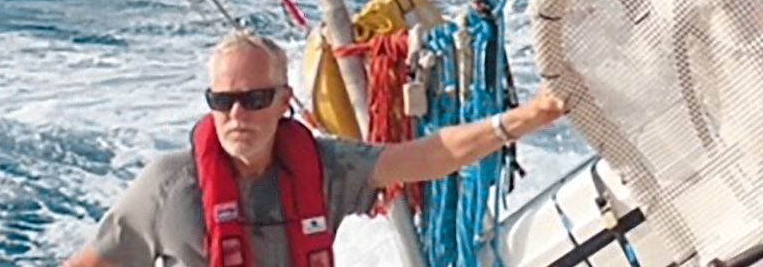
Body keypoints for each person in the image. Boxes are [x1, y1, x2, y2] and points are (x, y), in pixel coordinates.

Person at [62, 32, 566, 267]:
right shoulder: (167, 187)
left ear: (284, 102)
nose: (238, 115)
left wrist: (529, 117)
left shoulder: (328, 168)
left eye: (256, 99)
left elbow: (427, 156)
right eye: (224, 100)